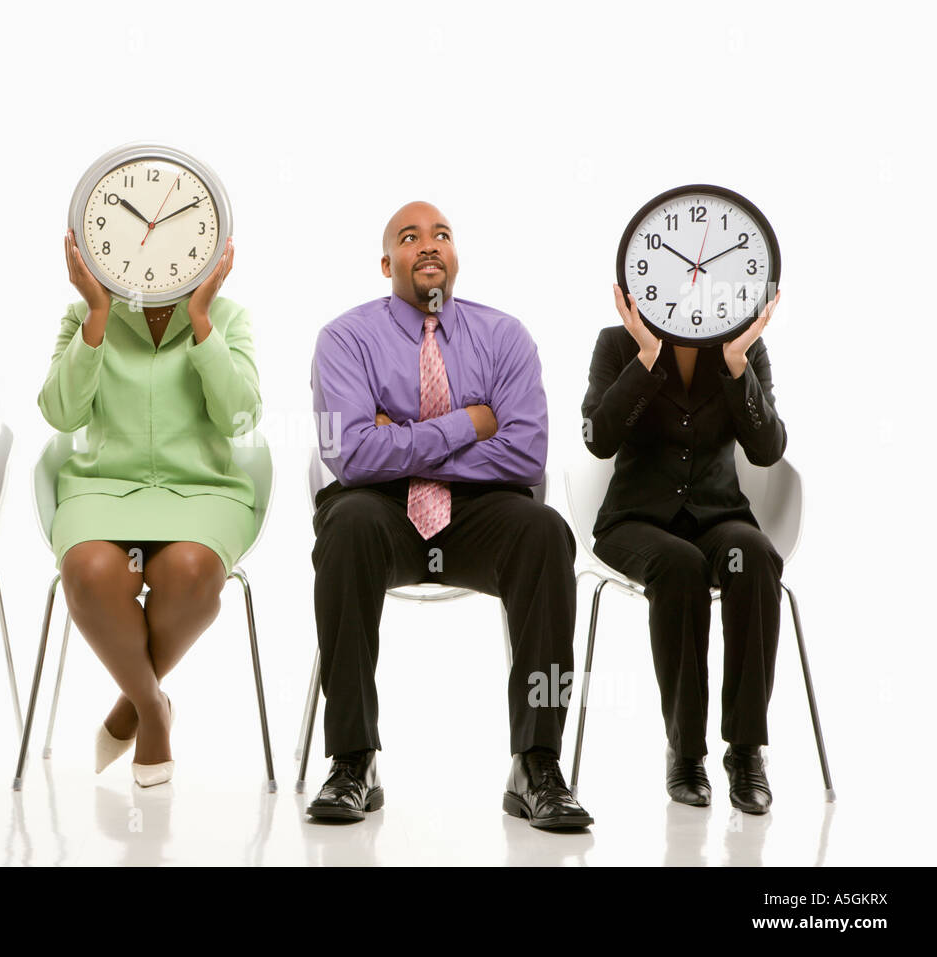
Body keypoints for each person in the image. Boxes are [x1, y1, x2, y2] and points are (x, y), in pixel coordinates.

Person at [306, 201, 592, 829]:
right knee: (347, 525)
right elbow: (351, 455)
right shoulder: (345, 337)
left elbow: (525, 453)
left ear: (455, 256)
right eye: (410, 238)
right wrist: (469, 423)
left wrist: (403, 439)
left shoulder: (505, 336)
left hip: (483, 514)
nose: (428, 245)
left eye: (441, 235)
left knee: (546, 532)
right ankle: (353, 761)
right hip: (379, 511)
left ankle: (537, 763)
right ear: (387, 263)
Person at [39, 230, 260, 788]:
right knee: (89, 571)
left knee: (188, 571)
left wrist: (203, 320)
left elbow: (241, 418)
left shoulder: (228, 316)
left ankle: (130, 707)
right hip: (105, 490)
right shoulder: (84, 314)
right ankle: (153, 706)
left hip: (202, 491)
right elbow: (62, 415)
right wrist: (95, 316)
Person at [581, 284, 785, 814]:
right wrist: (646, 360)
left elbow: (768, 451)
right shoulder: (617, 344)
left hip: (719, 517)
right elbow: (598, 438)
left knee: (756, 557)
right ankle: (686, 752)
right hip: (636, 522)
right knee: (679, 565)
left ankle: (745, 753)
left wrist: (738, 367)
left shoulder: (744, 349)